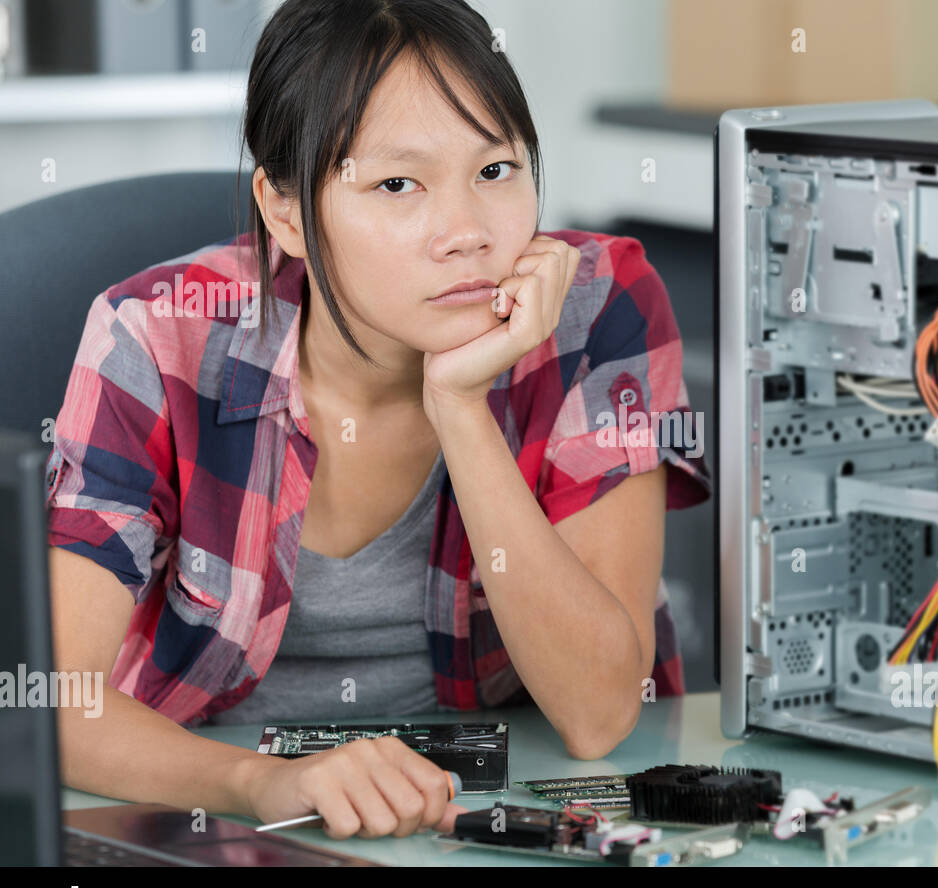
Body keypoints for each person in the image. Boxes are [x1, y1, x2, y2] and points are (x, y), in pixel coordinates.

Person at [45, 0, 710, 840]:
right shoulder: (157, 336)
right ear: (285, 213)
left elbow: (600, 714)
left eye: (496, 170)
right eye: (398, 184)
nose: (466, 232)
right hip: (223, 818)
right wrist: (263, 783)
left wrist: (461, 406)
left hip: (507, 818)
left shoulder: (595, 307)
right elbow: (53, 698)